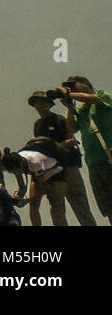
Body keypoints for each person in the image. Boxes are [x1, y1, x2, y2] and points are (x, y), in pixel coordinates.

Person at [29, 89, 97, 226]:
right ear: (34, 105)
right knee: (57, 208)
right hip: (52, 171)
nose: (40, 105)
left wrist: (60, 145)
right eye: (38, 103)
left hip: (68, 166)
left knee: (80, 204)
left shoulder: (59, 120)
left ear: (49, 104)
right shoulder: (38, 125)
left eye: (43, 102)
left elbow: (70, 139)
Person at [59, 76, 111, 221]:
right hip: (93, 163)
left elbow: (90, 98)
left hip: (108, 158)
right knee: (107, 205)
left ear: (85, 84)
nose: (72, 89)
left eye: (73, 85)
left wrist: (68, 94)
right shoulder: (81, 112)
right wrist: (70, 108)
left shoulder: (102, 97)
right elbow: (71, 128)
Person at [2, 142, 67, 227]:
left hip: (56, 172)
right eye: (14, 172)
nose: (17, 173)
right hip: (39, 173)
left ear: (21, 165)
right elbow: (22, 187)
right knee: (33, 207)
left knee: (56, 208)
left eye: (17, 171)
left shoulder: (35, 163)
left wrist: (27, 201)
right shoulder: (15, 160)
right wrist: (18, 197)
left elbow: (42, 189)